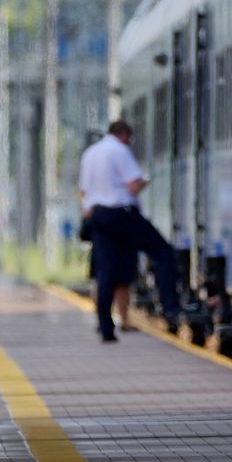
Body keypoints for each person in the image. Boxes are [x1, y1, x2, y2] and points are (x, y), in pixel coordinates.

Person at [79, 120, 182, 342]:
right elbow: (133, 185)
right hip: (121, 214)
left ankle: (106, 328)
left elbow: (83, 190)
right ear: (124, 135)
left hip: (97, 216)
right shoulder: (119, 150)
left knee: (105, 273)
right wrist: (145, 180)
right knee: (163, 252)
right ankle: (170, 307)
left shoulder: (90, 153)